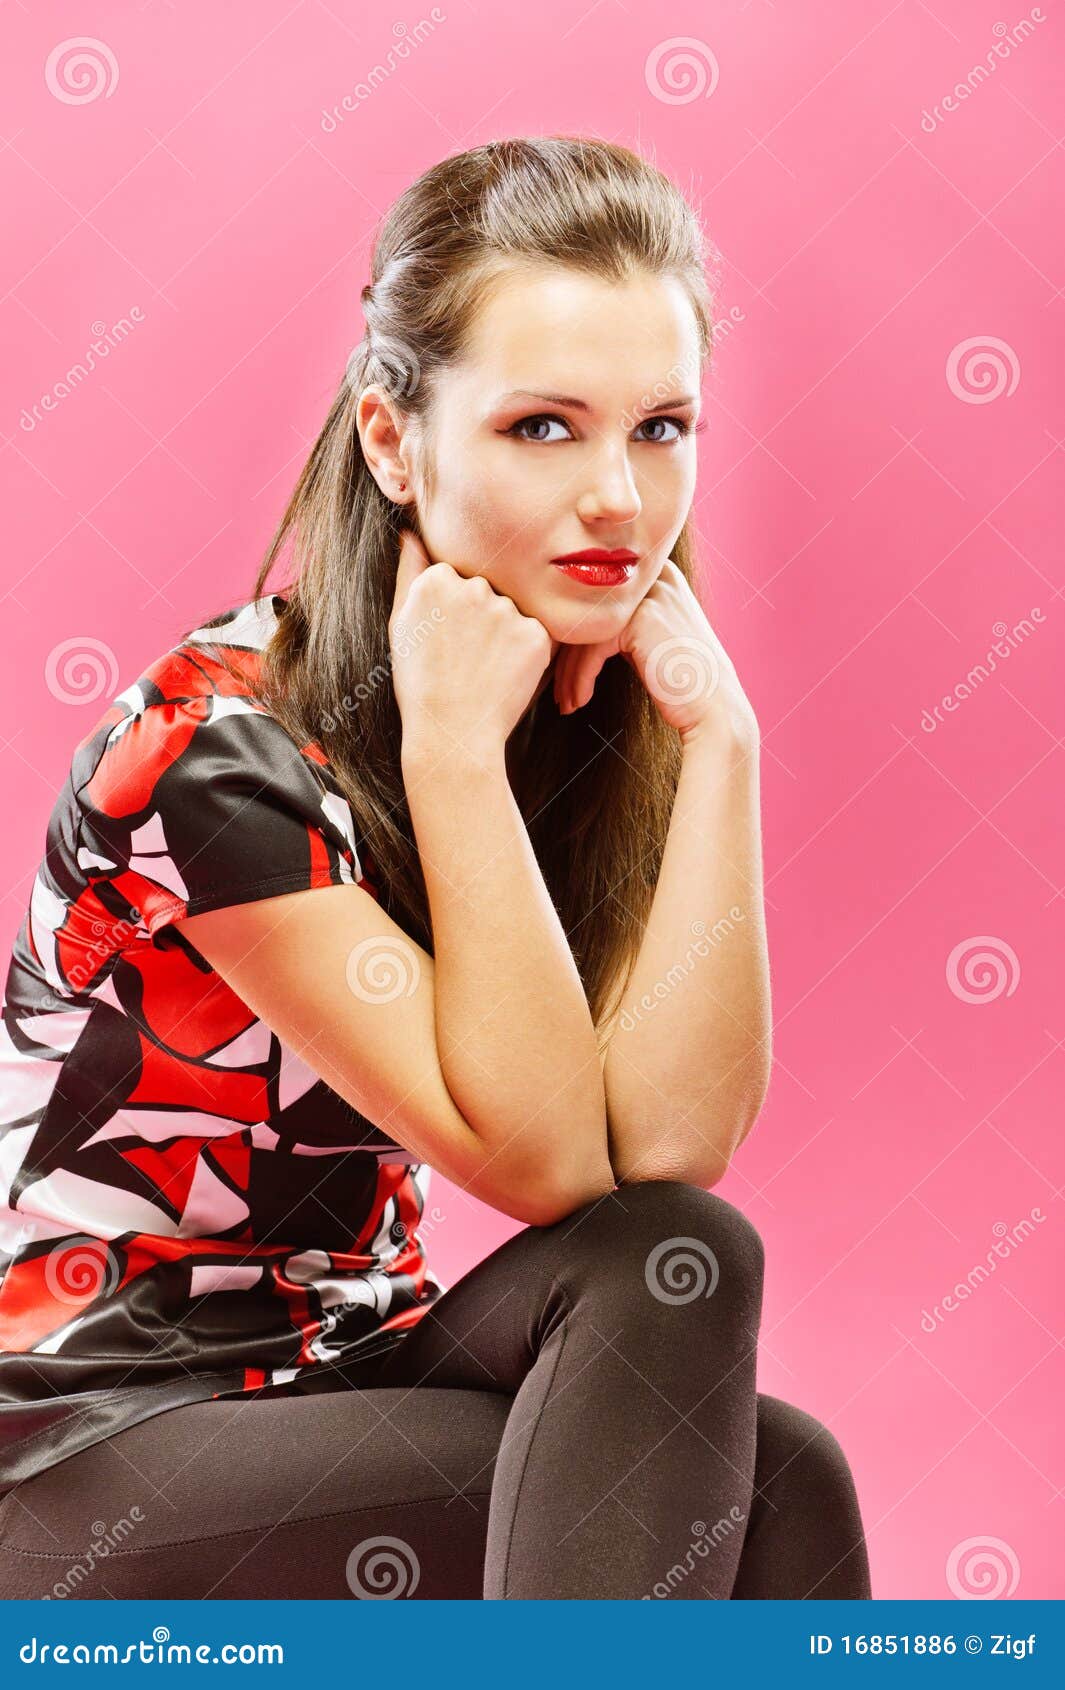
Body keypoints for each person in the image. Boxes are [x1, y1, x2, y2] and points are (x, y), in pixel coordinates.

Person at [0, 135, 871, 1600]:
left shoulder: (571, 687)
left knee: (709, 1306)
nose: (617, 499)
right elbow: (533, 1160)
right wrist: (455, 761)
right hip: (85, 1440)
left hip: (348, 1373)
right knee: (734, 1467)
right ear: (393, 441)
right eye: (544, 427)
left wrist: (719, 741)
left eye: (660, 428)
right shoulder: (215, 751)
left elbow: (659, 1158)